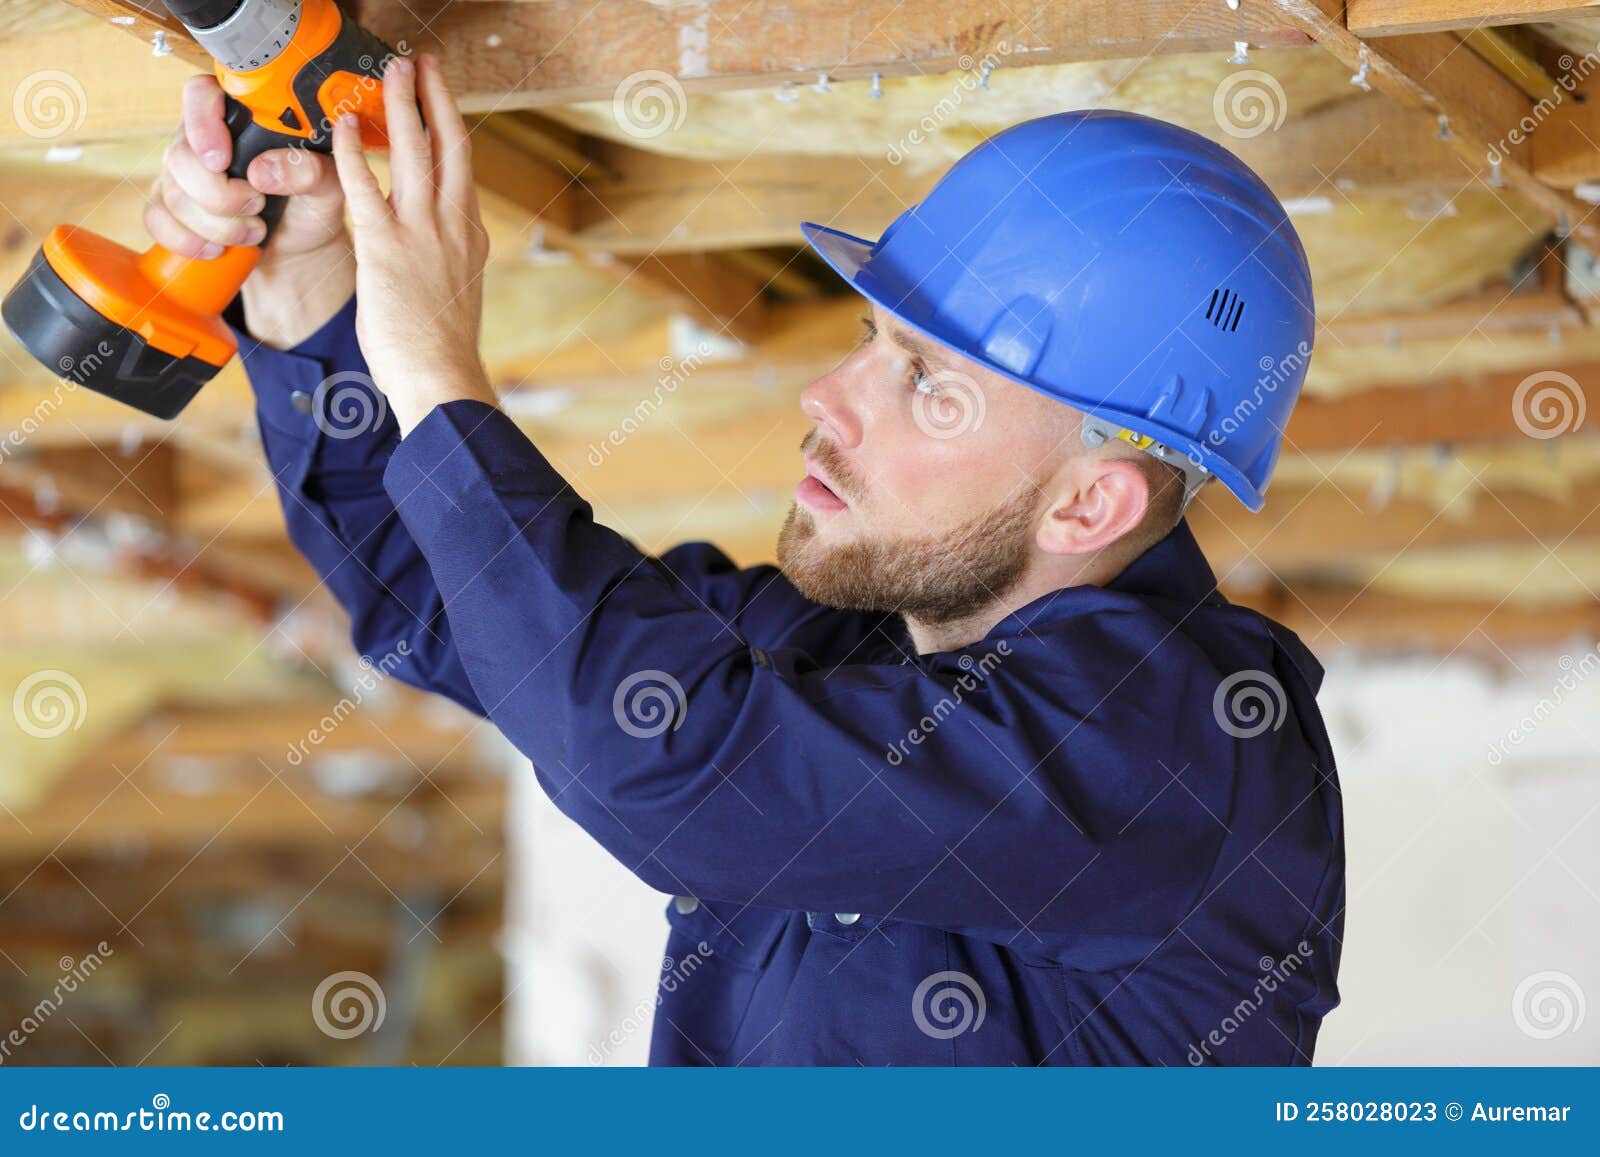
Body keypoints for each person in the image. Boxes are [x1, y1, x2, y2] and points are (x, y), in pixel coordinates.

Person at [148, 53, 1344, 1065]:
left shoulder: (1187, 749)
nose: (829, 393)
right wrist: (314, 293)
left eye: (927, 383)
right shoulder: (844, 651)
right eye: (876, 338)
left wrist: (440, 375)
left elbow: (669, 765)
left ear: (1091, 503)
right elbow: (451, 600)